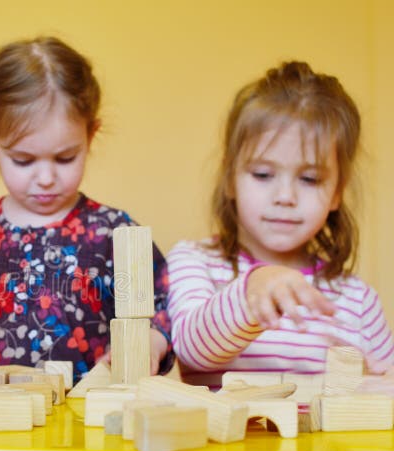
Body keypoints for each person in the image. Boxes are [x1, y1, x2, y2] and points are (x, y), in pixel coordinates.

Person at [0, 36, 172, 387]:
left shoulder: (114, 231)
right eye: (23, 160)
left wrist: (152, 342)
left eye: (65, 158)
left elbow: (167, 306)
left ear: (91, 134)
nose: (46, 178)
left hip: (92, 420)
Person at [167, 60, 394, 388]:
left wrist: (375, 382)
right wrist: (251, 291)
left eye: (310, 179)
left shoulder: (357, 300)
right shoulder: (196, 262)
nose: (285, 196)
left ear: (336, 193)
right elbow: (191, 351)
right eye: (263, 174)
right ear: (230, 177)